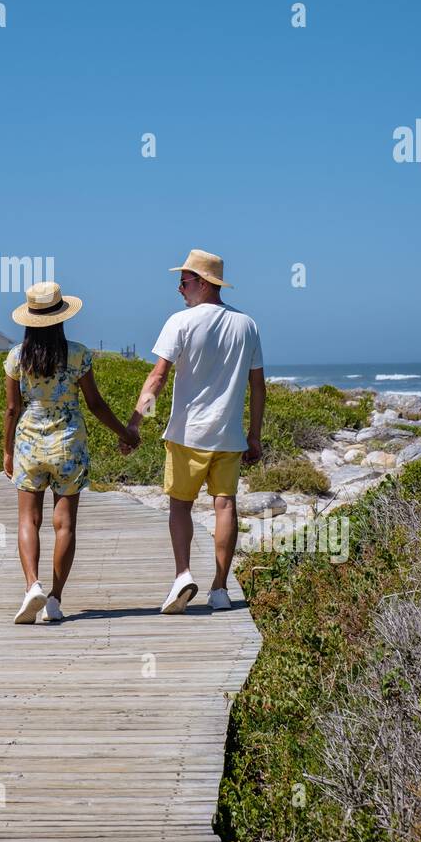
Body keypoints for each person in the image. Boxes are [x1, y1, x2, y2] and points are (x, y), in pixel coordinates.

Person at [123, 249, 265, 614]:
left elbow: (157, 378)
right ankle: (220, 587)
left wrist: (136, 422)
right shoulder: (247, 325)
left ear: (202, 283)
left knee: (180, 507)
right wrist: (254, 435)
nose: (179, 289)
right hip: (229, 436)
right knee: (225, 504)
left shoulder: (181, 322)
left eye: (184, 282)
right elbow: (258, 387)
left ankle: (183, 574)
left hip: (187, 435)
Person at [4, 281, 140, 625]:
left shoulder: (17, 357)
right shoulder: (78, 354)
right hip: (69, 442)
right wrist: (126, 434)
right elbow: (95, 403)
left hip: (29, 442)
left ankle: (31, 584)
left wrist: (7, 451)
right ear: (61, 317)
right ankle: (54, 599)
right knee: (64, 524)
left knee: (27, 520)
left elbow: (11, 409)